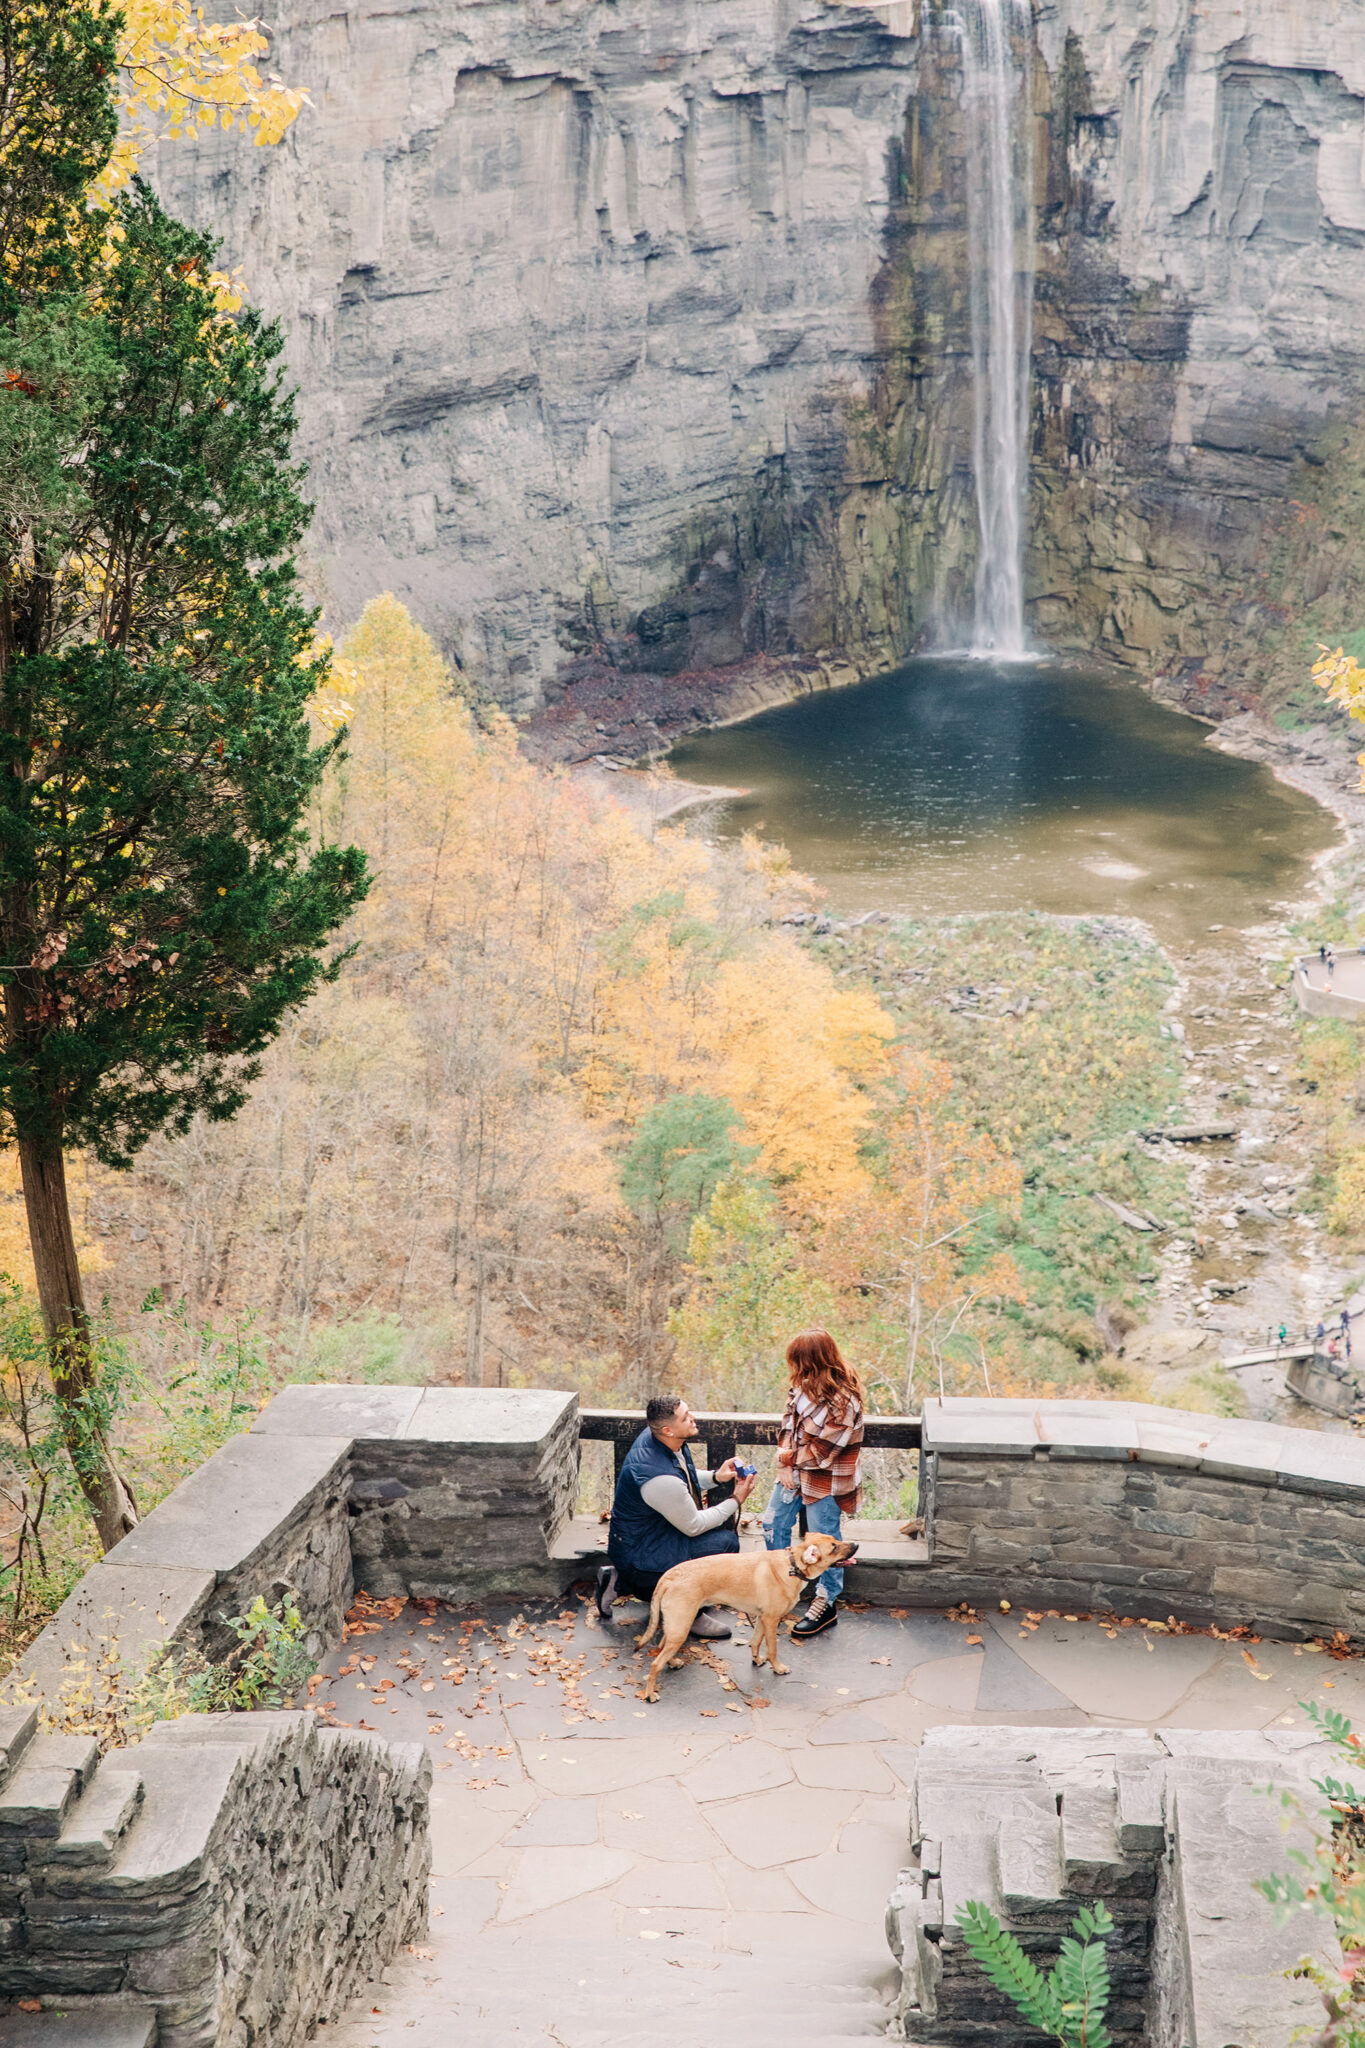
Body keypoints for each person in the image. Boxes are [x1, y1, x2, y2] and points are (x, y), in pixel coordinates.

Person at [597, 1395, 756, 1638]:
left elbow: (681, 1478)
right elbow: (694, 1525)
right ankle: (687, 1611)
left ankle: (619, 1581)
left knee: (718, 1542)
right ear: (668, 1430)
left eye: (688, 1411)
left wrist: (716, 1477)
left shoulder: (659, 1439)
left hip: (647, 1539)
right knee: (725, 1545)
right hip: (641, 1555)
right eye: (685, 1417)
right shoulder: (658, 1476)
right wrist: (737, 1499)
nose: (693, 1418)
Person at [765, 1330, 864, 1640]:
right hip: (793, 1472)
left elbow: (823, 1453)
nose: (792, 1367)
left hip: (826, 1480)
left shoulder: (844, 1401)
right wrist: (784, 1462)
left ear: (812, 1361)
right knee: (772, 1524)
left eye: (797, 1361)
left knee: (826, 1541)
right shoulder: (801, 1386)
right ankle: (780, 1586)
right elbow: (787, 1424)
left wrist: (786, 1460)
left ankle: (826, 1601)